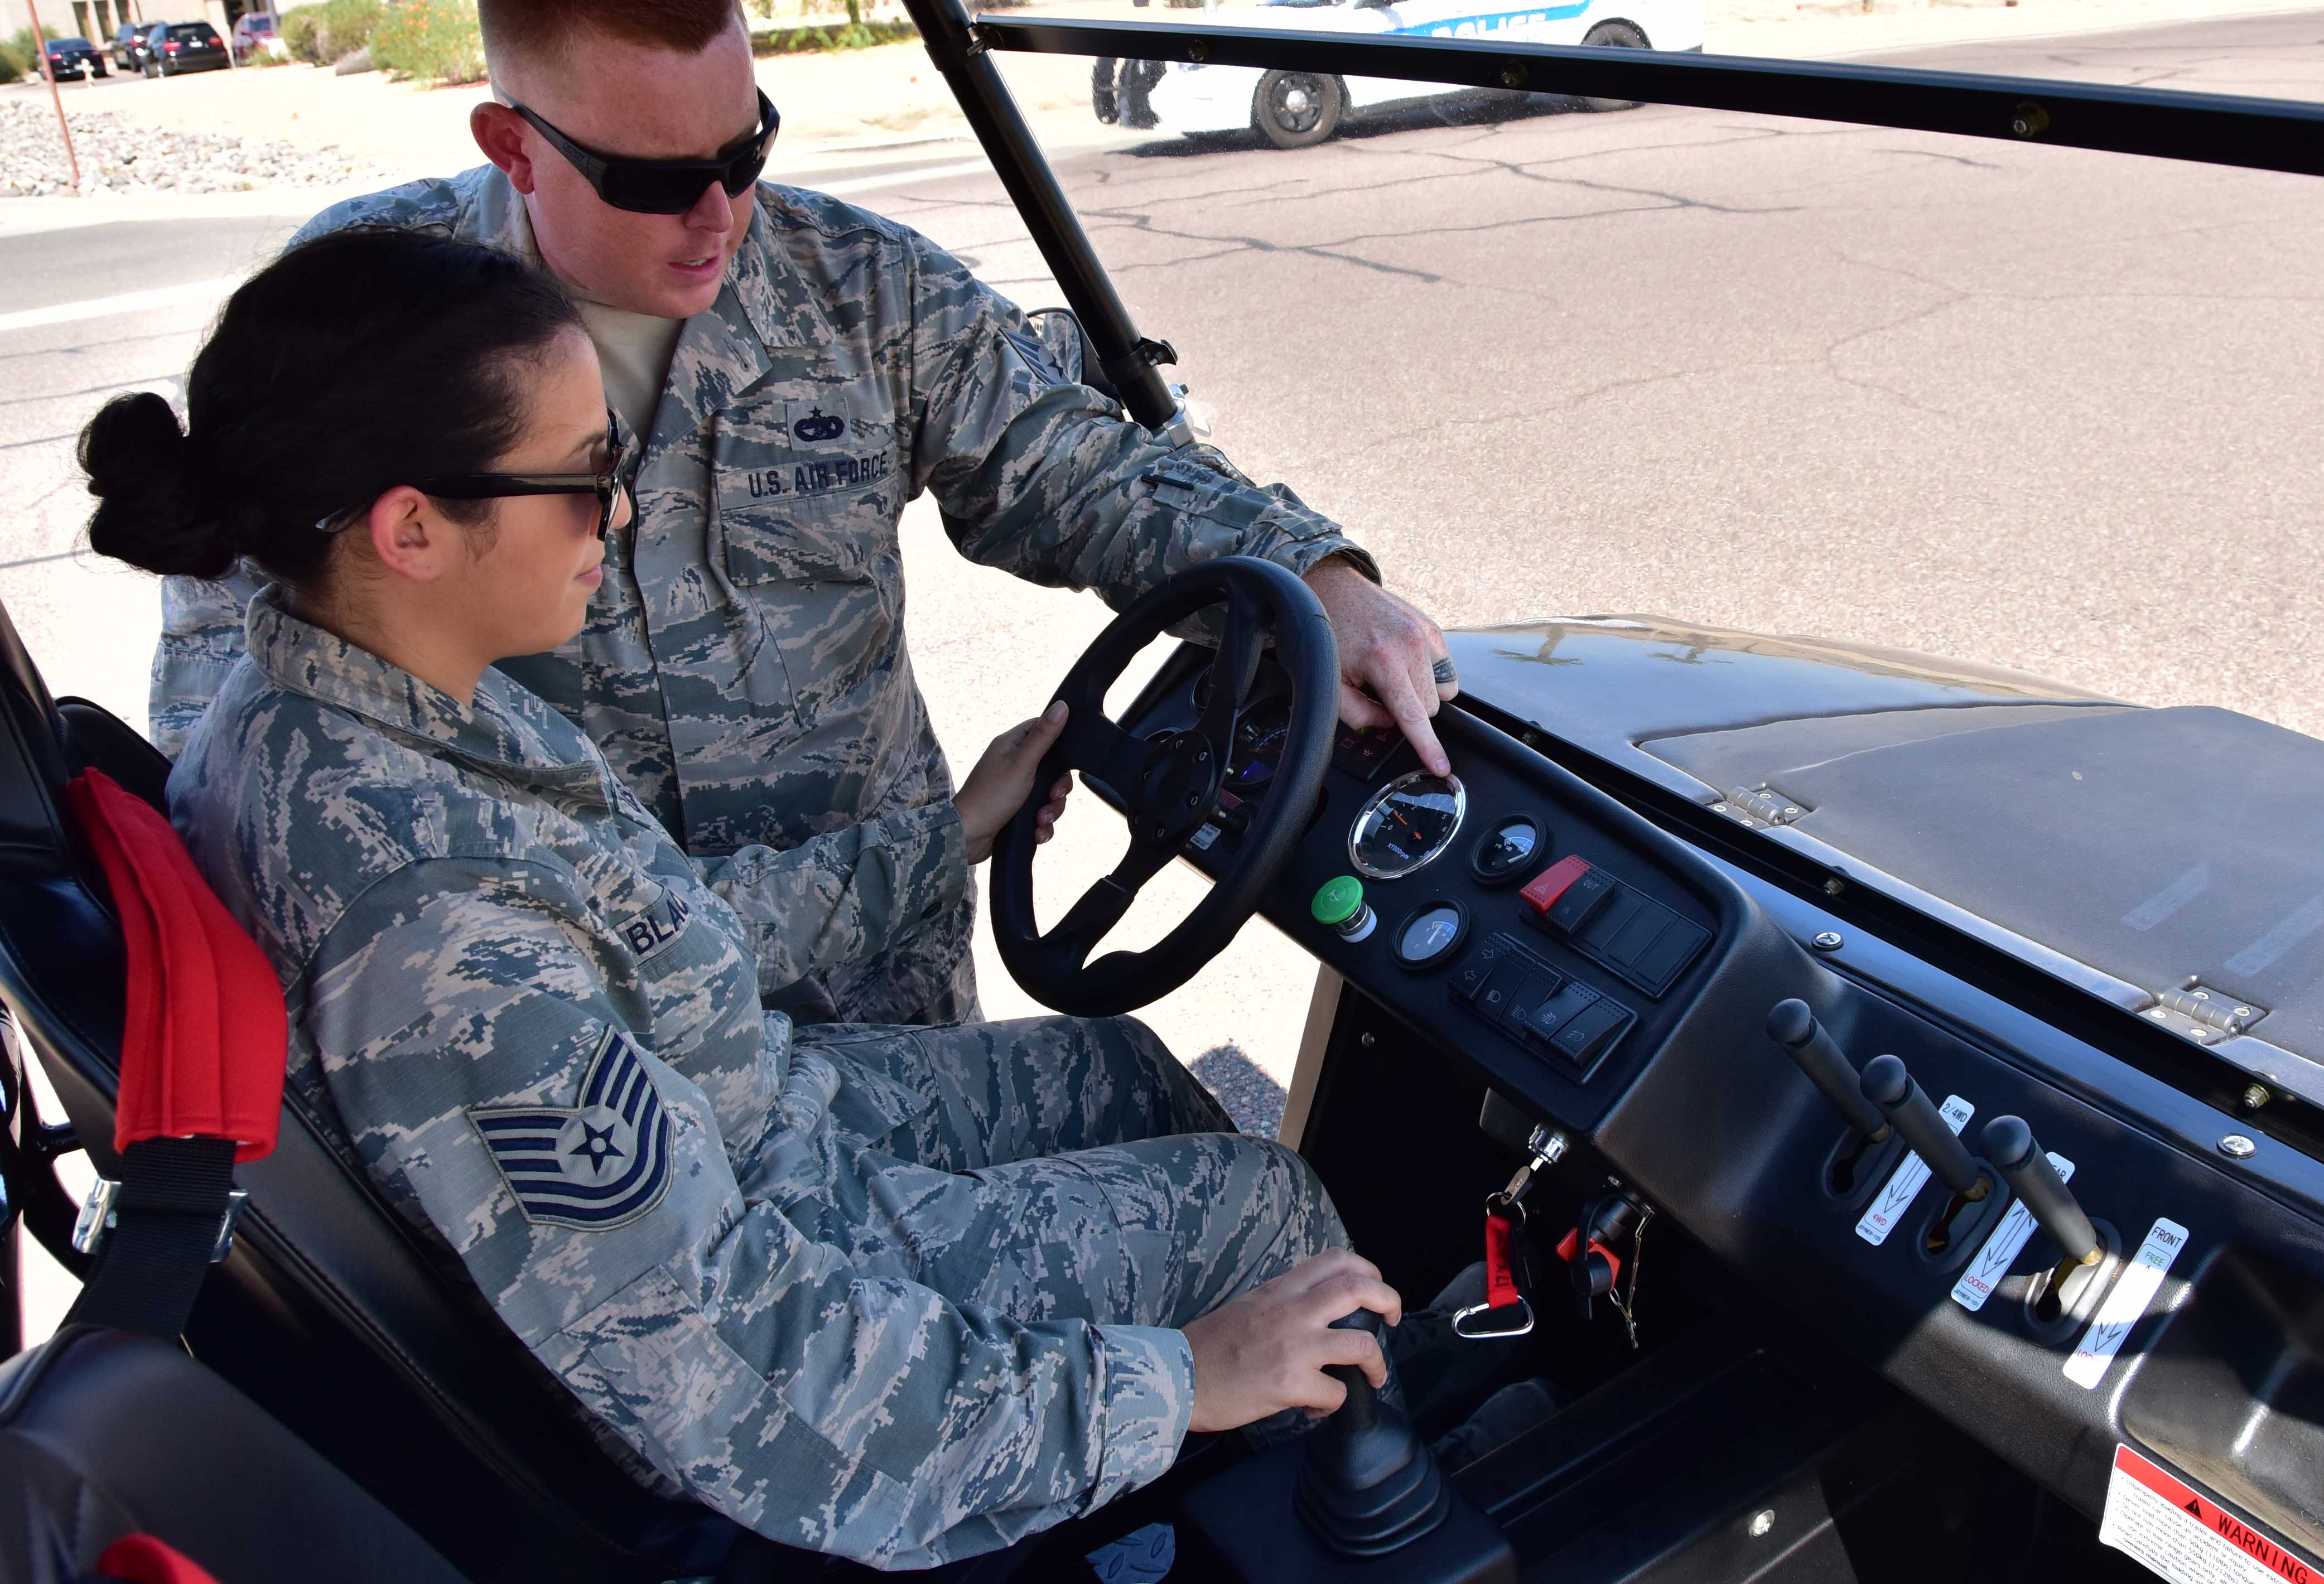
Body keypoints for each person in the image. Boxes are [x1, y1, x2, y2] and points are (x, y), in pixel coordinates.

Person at [81, 228, 1403, 1570]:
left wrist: (938, 840)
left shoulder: (355, 703)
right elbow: (740, 1375)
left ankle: (1176, 1495)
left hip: (763, 1126)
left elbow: (644, 933)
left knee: (1121, 1070)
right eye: (588, 478)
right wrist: (1182, 1379)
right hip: (773, 1276)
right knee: (1265, 1215)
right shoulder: (436, 941)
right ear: (412, 527)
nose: (628, 513)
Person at [146, 0, 1462, 1032]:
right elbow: (243, 689)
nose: (722, 217)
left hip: (877, 974)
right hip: (573, 1020)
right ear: (513, 147)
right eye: (656, 180)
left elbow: (1071, 470)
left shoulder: (856, 286)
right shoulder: (368, 316)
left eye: (744, 152)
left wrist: (1314, 575)